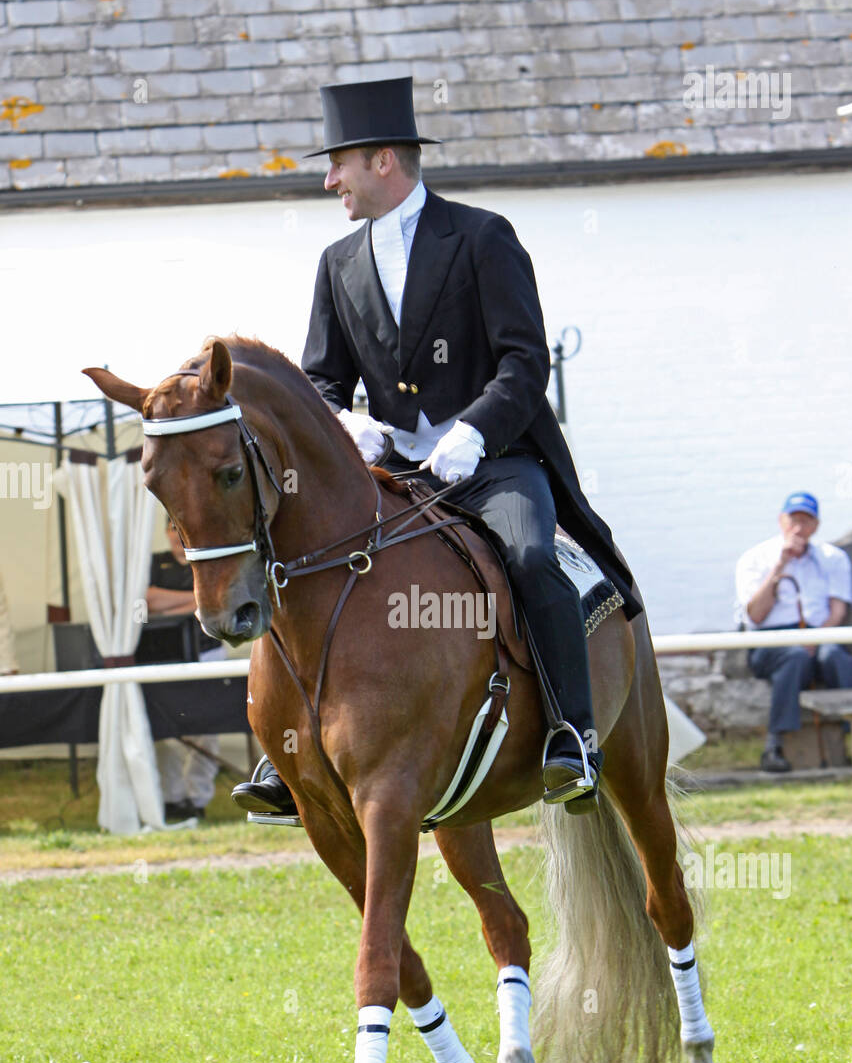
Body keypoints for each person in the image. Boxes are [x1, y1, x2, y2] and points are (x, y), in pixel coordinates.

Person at [233, 75, 639, 820]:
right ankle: (288, 747)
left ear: (382, 161)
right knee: (301, 558)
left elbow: (525, 361)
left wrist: (474, 432)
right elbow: (320, 376)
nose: (329, 181)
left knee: (528, 556)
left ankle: (570, 737)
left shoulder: (482, 237)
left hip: (493, 461)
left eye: (339, 165)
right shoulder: (336, 262)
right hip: (392, 472)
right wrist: (345, 423)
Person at [735, 491, 852, 772]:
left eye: (807, 520)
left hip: (819, 634)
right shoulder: (755, 558)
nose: (799, 528)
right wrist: (780, 566)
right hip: (771, 641)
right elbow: (755, 614)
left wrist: (816, 638)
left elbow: (838, 610)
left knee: (836, 657)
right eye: (794, 520)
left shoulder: (833, 558)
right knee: (794, 657)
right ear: (781, 521)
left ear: (816, 525)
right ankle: (774, 746)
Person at [147, 516, 225, 822]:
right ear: (166, 532)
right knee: (165, 731)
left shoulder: (206, 560)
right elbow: (148, 600)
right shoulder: (155, 563)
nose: (177, 537)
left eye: (183, 530)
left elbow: (218, 601)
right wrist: (196, 600)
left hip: (207, 656)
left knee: (205, 730)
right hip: (164, 660)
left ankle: (197, 797)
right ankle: (172, 798)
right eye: (173, 530)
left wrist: (174, 603)